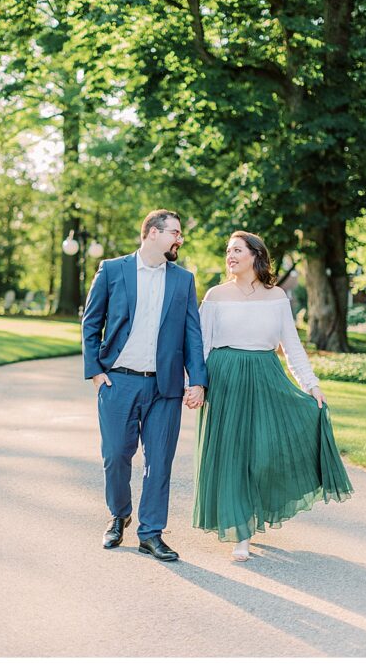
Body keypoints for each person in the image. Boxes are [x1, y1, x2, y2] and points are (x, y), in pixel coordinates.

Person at [192, 231, 353, 561]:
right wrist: (196, 384)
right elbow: (201, 346)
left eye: (237, 250)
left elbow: (292, 347)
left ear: (255, 255)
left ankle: (253, 515)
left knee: (263, 454)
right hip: (224, 379)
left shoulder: (277, 295)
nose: (230, 255)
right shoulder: (215, 295)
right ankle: (242, 533)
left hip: (265, 377)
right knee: (232, 456)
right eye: (228, 251)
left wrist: (312, 385)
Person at [81, 209, 208, 562]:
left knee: (160, 462)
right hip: (118, 381)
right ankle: (119, 514)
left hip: (164, 388)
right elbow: (91, 323)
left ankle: (151, 533)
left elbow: (192, 335)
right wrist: (95, 372)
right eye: (175, 232)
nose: (179, 239)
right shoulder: (112, 270)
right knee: (115, 456)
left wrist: (197, 380)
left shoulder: (183, 280)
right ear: (153, 233)